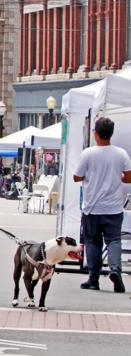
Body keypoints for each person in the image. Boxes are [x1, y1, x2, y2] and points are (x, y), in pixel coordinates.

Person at [74, 117, 131, 293]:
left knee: (92, 241)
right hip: (113, 207)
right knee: (114, 240)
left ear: (96, 134)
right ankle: (115, 270)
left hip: (92, 207)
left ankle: (94, 278)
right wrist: (118, 177)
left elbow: (77, 177)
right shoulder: (121, 153)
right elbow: (128, 177)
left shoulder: (88, 154)